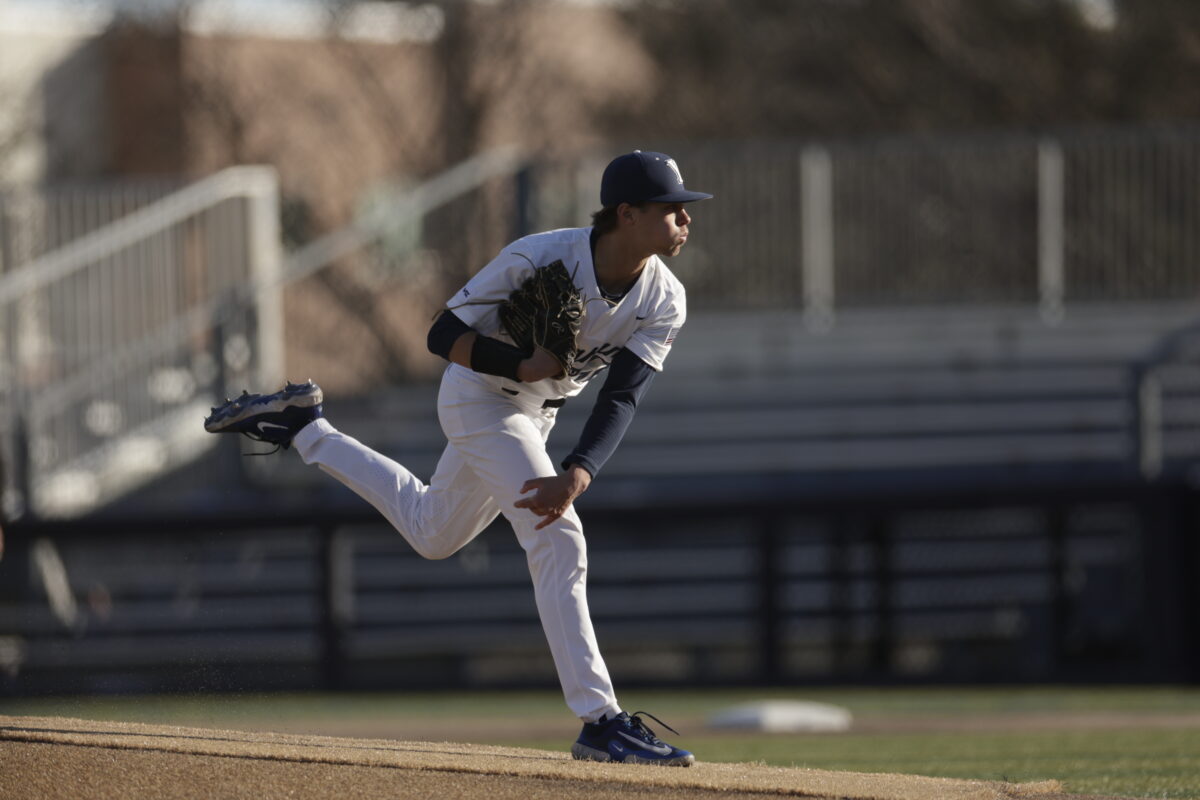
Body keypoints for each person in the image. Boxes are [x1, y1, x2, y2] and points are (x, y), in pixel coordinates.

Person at [205, 150, 711, 766]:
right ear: (627, 214)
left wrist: (577, 471)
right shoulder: (540, 255)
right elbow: (441, 334)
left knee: (432, 532)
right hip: (480, 399)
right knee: (559, 539)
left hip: (536, 415)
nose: (685, 218)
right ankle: (600, 721)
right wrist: (517, 364)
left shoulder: (665, 297)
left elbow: (624, 393)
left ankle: (306, 429)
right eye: (672, 209)